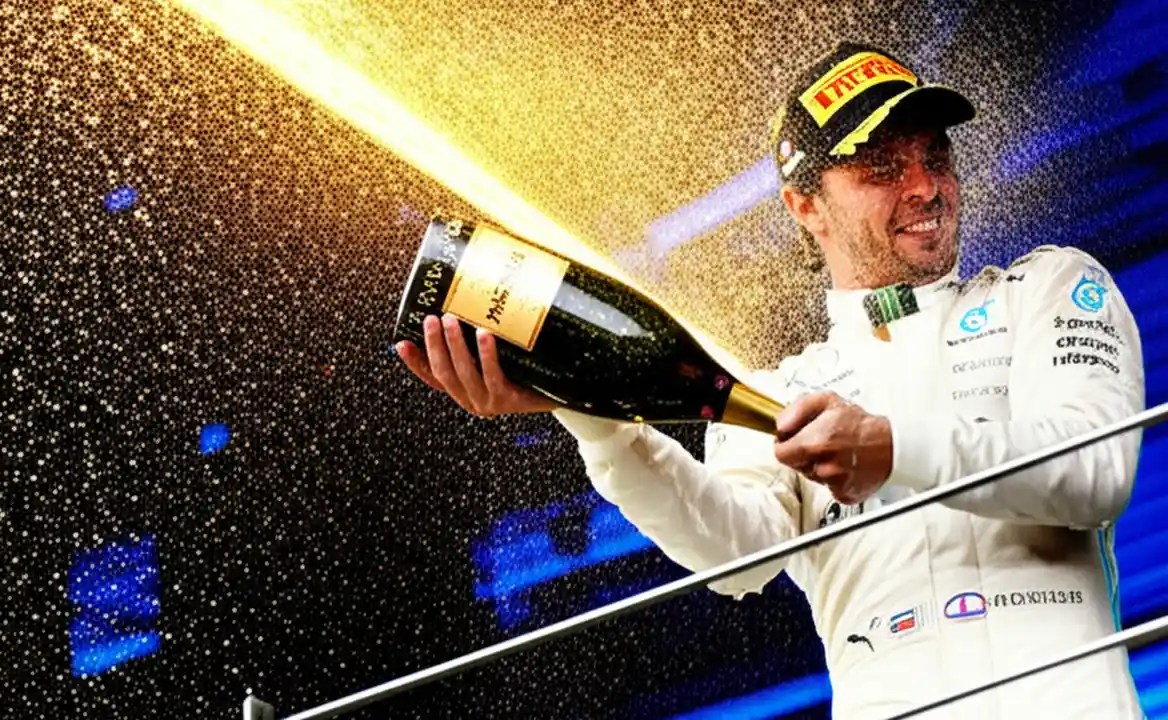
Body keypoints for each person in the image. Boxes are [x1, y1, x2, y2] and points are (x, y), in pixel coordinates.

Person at [396, 41, 1145, 719]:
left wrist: (888, 450)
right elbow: (731, 556)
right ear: (804, 206)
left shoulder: (1048, 287)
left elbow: (1095, 468)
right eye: (882, 166)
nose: (923, 185)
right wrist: (589, 414)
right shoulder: (777, 390)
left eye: (934, 155)